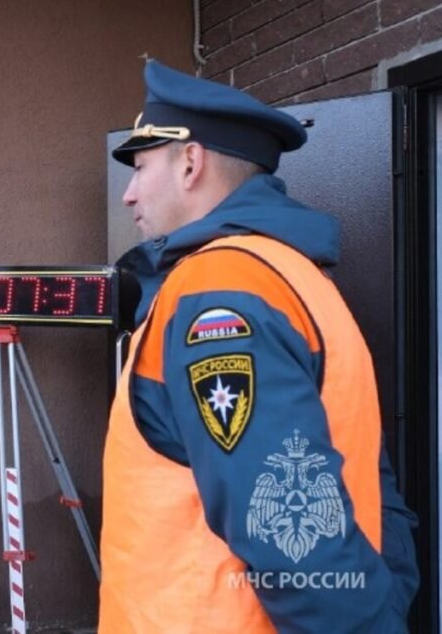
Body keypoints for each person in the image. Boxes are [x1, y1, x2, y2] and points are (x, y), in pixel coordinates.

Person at [98, 60, 419, 632]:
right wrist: (388, 600)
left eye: (140, 167)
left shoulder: (219, 293)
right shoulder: (291, 275)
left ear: (190, 162)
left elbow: (289, 528)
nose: (128, 194)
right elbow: (371, 477)